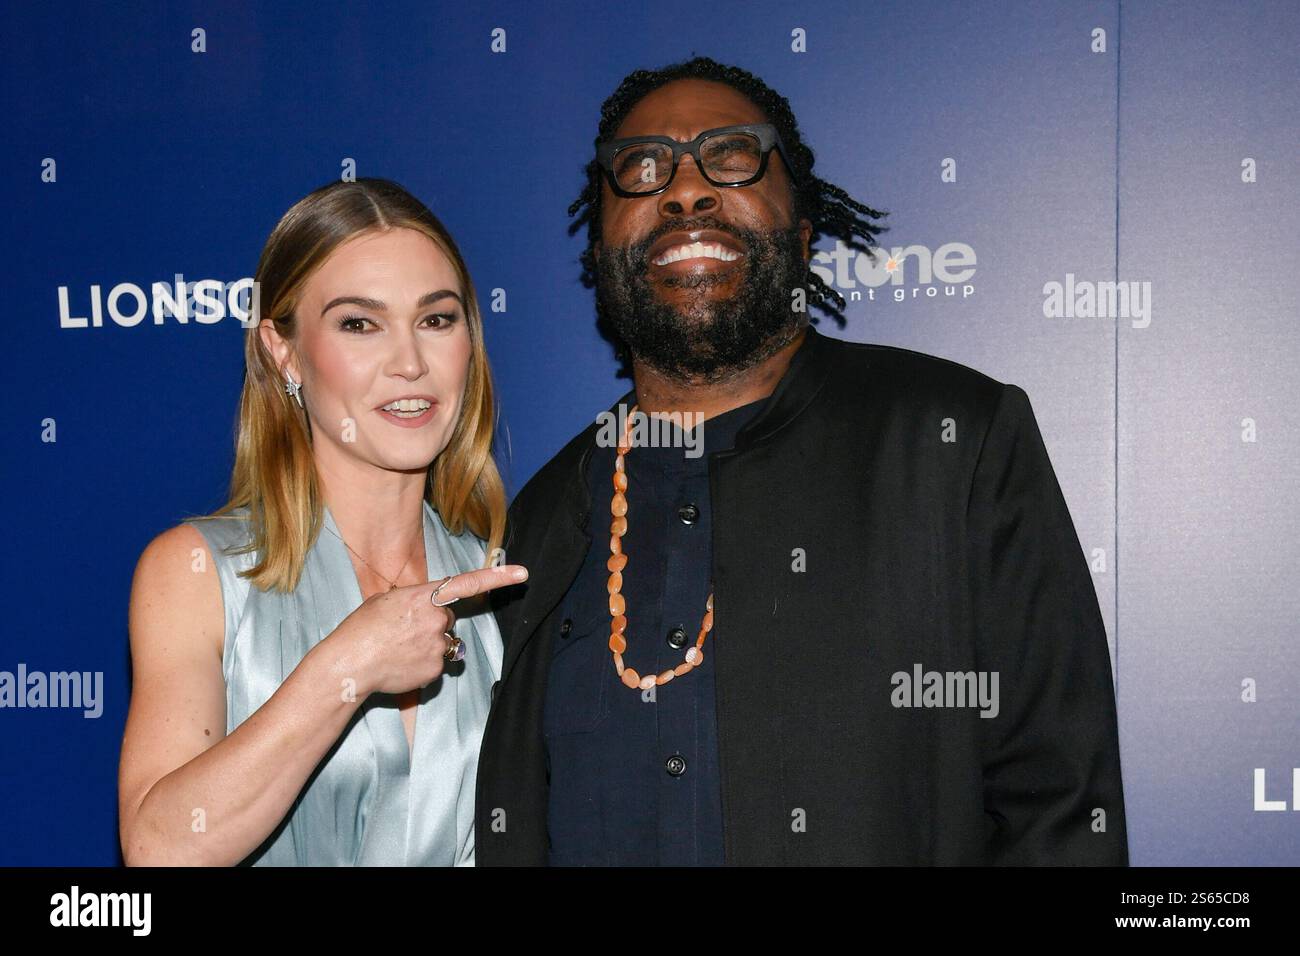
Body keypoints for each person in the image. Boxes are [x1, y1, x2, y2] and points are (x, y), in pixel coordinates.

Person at [475, 57, 1129, 865]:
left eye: (733, 155)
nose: (685, 191)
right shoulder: (539, 524)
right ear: (600, 251)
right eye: (642, 169)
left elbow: (1059, 814)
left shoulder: (951, 442)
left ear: (803, 228)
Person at [118, 178, 528, 866]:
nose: (409, 363)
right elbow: (160, 848)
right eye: (358, 323)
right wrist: (350, 663)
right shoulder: (195, 573)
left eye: (436, 319)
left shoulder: (501, 585)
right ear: (282, 351)